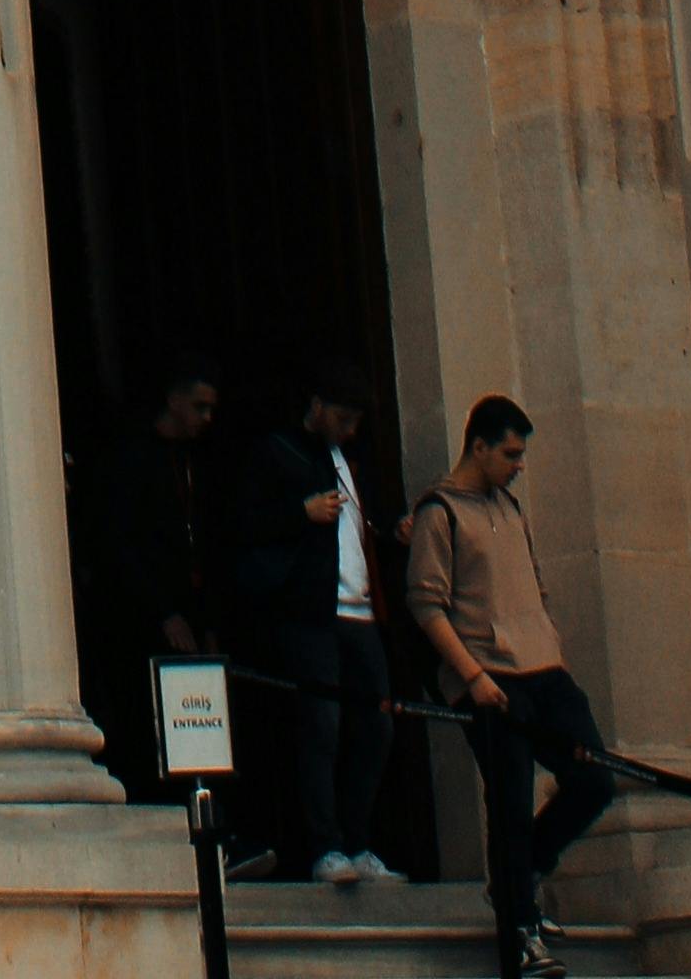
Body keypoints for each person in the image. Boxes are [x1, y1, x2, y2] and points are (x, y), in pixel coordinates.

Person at [407, 398, 617, 979]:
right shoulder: (440, 511)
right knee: (509, 798)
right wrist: (470, 676)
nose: (518, 464)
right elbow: (426, 604)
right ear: (478, 446)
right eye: (510, 453)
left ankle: (521, 875)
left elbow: (536, 586)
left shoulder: (511, 506)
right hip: (488, 670)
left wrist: (554, 646)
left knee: (595, 776)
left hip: (543, 668)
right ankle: (520, 931)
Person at [227, 361, 396, 887]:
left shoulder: (352, 459)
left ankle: (358, 841)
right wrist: (299, 513)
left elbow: (366, 526)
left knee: (377, 726)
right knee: (321, 728)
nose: (349, 430)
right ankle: (325, 847)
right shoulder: (280, 452)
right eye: (342, 417)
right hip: (311, 615)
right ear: (317, 406)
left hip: (361, 612)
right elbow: (242, 526)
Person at [77, 369, 221, 802]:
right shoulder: (133, 458)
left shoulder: (199, 461)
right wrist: (163, 612)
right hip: (140, 620)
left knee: (199, 726)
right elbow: (120, 546)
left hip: (190, 614)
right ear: (173, 401)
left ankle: (205, 818)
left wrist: (207, 621)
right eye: (199, 406)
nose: (207, 418)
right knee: (146, 720)